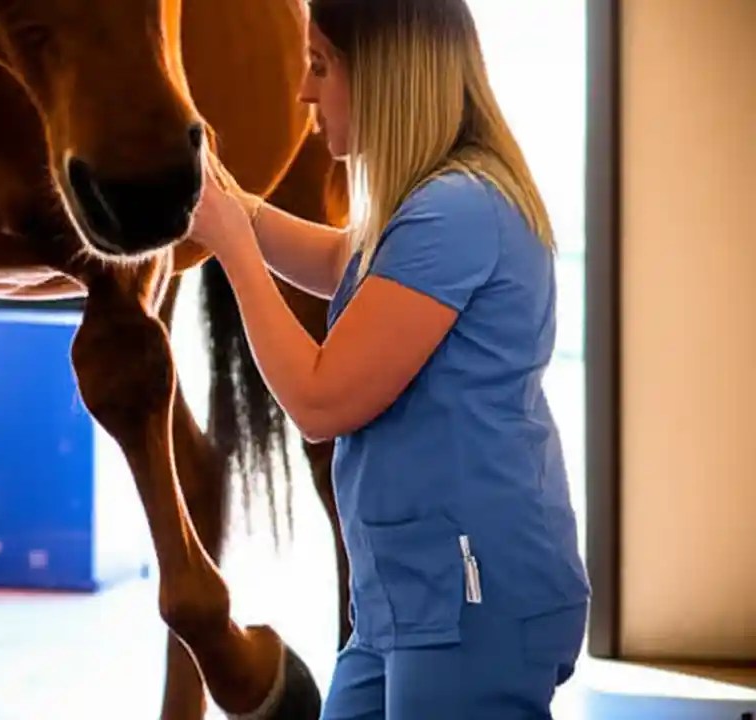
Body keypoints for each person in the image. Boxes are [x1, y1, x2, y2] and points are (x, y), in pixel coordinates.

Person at [192, 0, 592, 718]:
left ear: (383, 75)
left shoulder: (457, 210)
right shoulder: (428, 208)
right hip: (406, 595)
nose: (304, 92)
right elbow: (340, 261)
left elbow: (321, 402)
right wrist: (226, 196)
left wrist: (232, 251)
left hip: (474, 596)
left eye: (320, 67)